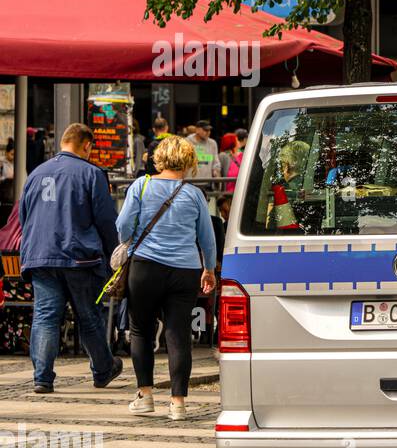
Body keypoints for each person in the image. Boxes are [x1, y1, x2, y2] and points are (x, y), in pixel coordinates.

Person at [116, 136, 217, 420]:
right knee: (178, 334)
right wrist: (208, 269)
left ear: (158, 158)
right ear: (188, 161)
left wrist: (129, 239)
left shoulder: (141, 185)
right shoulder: (195, 194)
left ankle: (145, 396)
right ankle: (178, 403)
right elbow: (207, 239)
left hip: (146, 266)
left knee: (141, 330)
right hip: (185, 270)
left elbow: (123, 226)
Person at [18, 123, 124, 394]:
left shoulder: (36, 173)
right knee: (88, 316)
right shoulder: (91, 174)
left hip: (40, 255)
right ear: (86, 145)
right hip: (79, 257)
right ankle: (103, 369)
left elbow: (24, 216)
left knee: (45, 316)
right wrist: (115, 254)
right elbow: (105, 219)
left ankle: (42, 377)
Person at [225, 128, 247, 192]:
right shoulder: (244, 154)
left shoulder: (226, 154)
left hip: (232, 188)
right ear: (245, 139)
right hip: (236, 189)